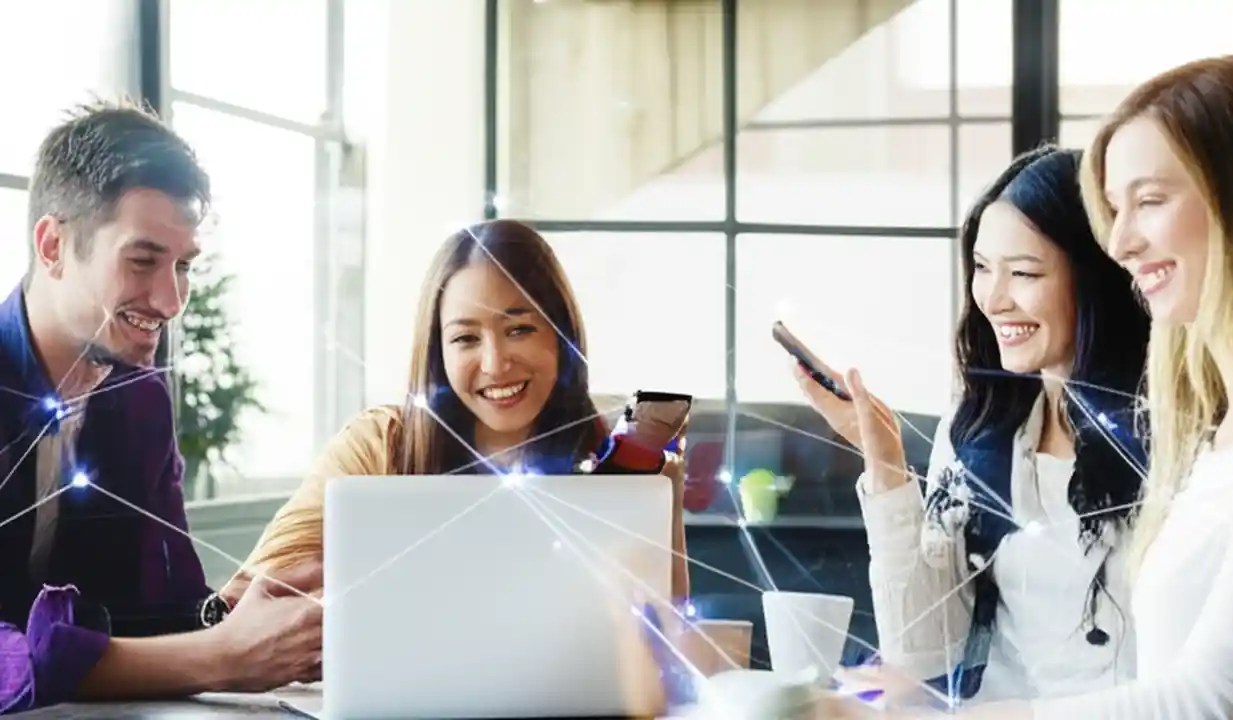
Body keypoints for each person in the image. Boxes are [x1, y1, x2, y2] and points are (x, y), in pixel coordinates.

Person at [957, 54, 1233, 720]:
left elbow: (1216, 699)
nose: (1122, 242)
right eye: (1113, 208)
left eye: (1150, 201)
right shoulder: (1218, 434)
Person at [796, 147, 1151, 704]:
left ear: (1096, 279)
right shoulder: (983, 427)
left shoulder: (1168, 438)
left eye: (1024, 273)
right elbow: (923, 650)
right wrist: (883, 461)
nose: (994, 298)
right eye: (983, 268)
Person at [0, 100, 322, 714]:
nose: (171, 301)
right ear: (53, 245)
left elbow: (158, 605)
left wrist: (242, 615)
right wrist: (223, 657)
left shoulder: (139, 398)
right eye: (143, 261)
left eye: (183, 266)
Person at [222, 219, 691, 604]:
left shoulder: (610, 459)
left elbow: (661, 638)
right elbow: (243, 601)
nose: (495, 364)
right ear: (438, 352)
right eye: (466, 338)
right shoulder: (379, 445)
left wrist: (661, 500)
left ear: (561, 335)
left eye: (520, 329)